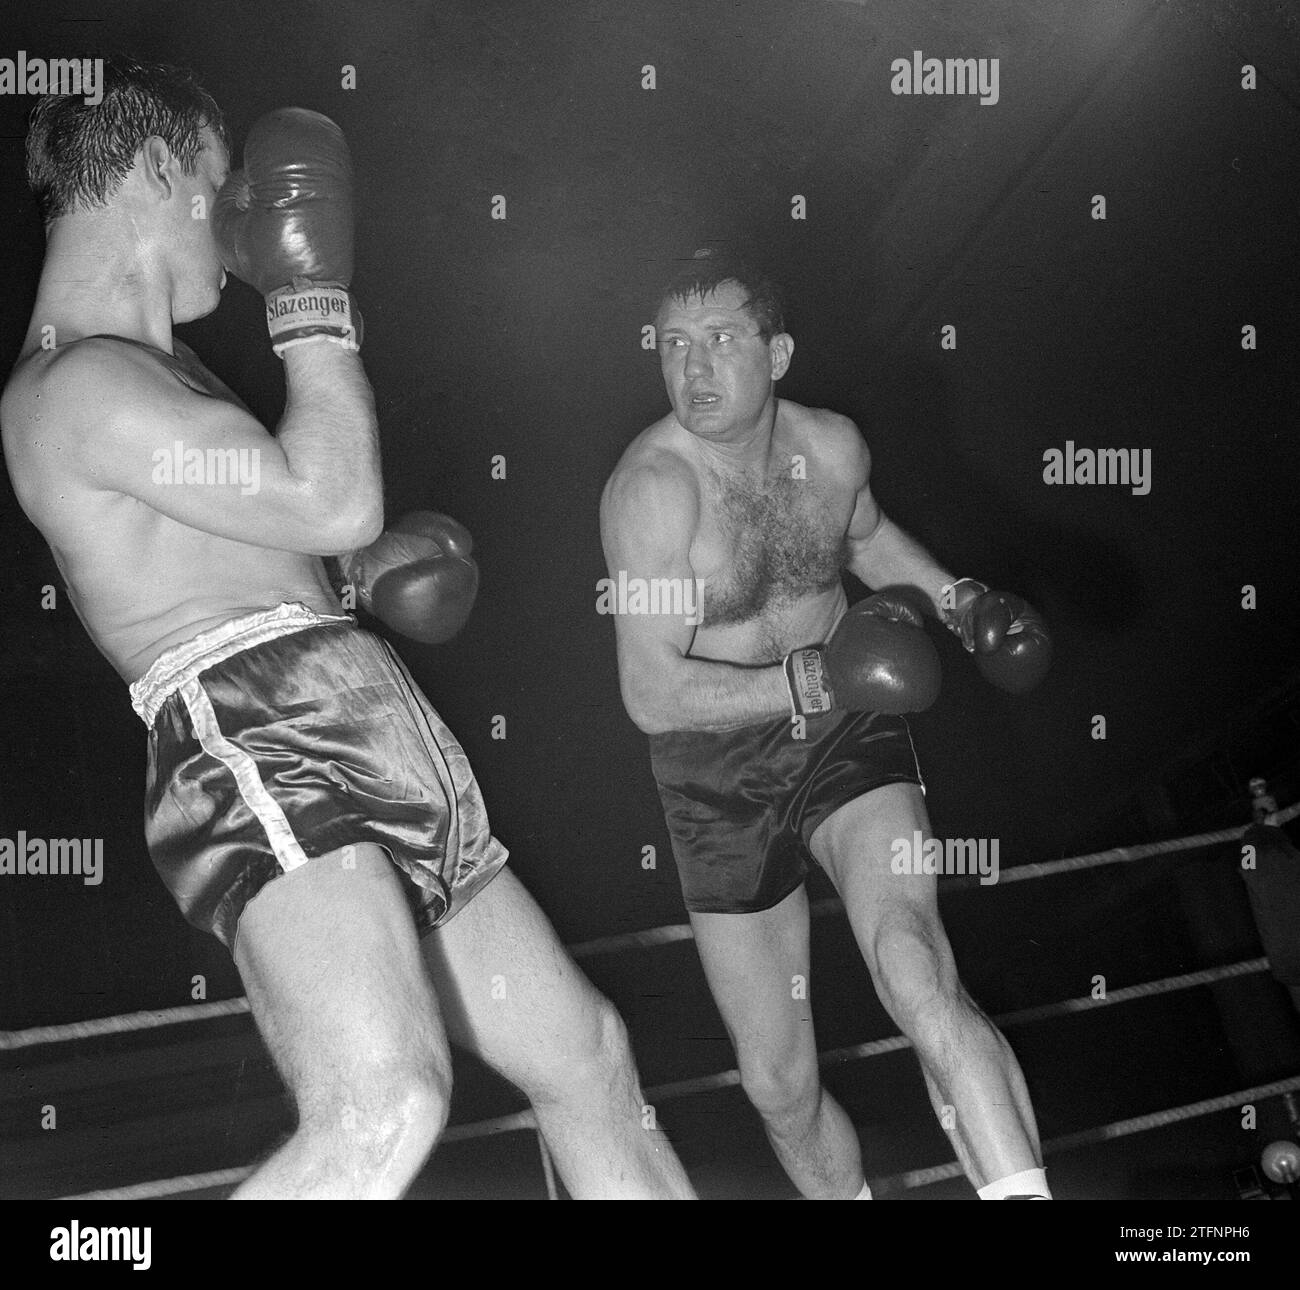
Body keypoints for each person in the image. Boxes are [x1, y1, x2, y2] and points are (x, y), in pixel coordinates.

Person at [3, 58, 693, 1200]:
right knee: (383, 1109)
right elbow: (330, 497)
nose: (237, 231)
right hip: (266, 736)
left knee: (588, 1059)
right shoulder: (73, 384)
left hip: (359, 713)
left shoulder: (156, 373)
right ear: (159, 168)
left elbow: (294, 540)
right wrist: (312, 305)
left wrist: (353, 585)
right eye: (225, 191)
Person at [601, 249, 1053, 1199]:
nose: (693, 368)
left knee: (918, 970)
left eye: (721, 340)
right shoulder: (650, 492)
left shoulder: (835, 449)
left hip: (848, 736)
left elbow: (865, 535)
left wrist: (960, 601)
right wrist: (816, 673)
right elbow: (651, 692)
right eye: (674, 345)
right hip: (715, 771)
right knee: (778, 1083)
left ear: (780, 353)